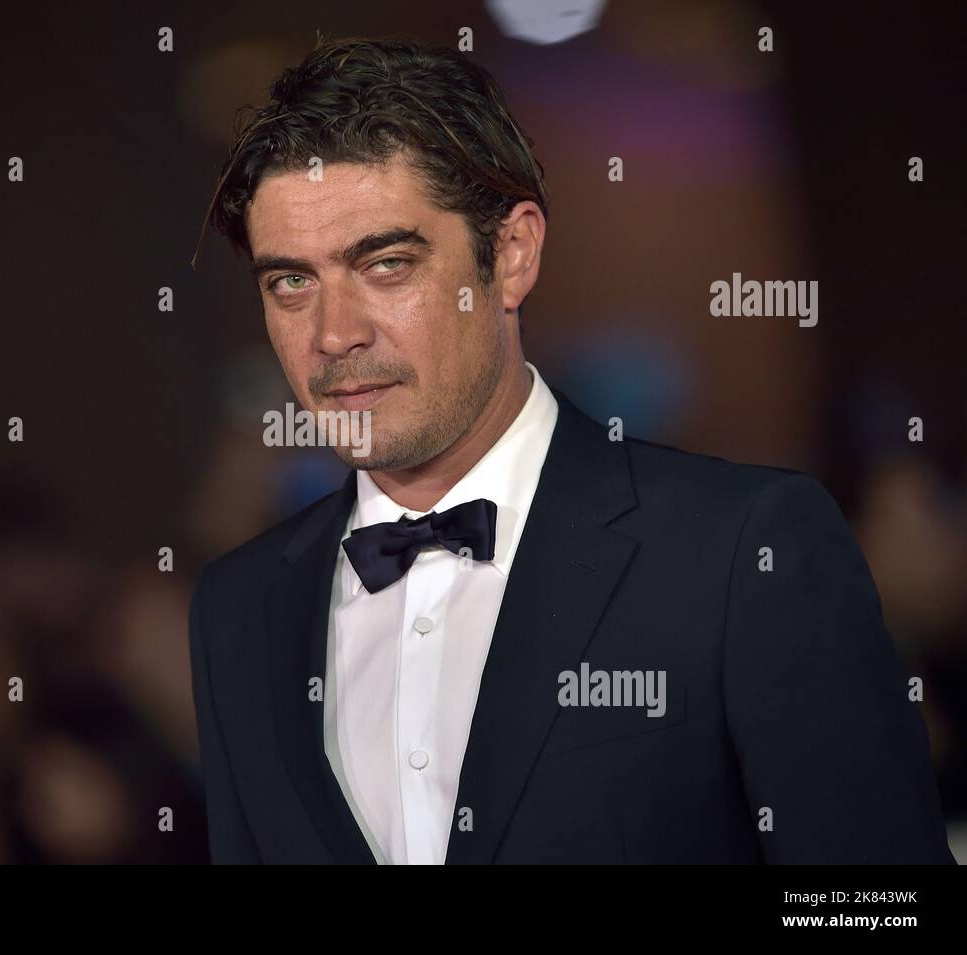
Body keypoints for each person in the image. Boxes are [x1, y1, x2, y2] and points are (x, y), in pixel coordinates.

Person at [186, 35, 954, 864]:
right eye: (290, 282)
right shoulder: (238, 611)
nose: (334, 334)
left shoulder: (742, 550)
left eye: (387, 264)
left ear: (511, 255)